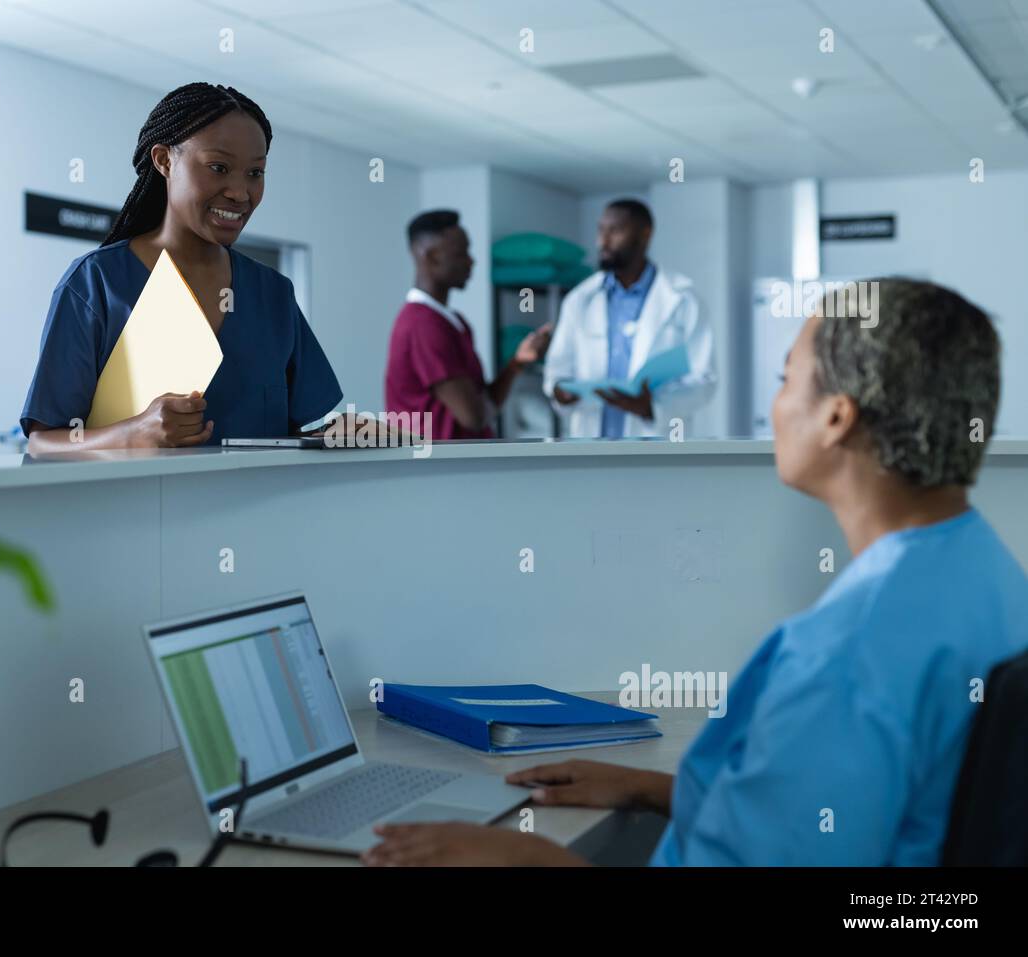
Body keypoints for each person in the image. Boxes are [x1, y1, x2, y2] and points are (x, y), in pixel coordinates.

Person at [364, 279, 1028, 866]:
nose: (776, 405)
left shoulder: (843, 654)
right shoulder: (991, 573)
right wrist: (656, 788)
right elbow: (860, 806)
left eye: (786, 379)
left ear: (835, 416)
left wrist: (526, 858)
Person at [21, 82, 342, 451]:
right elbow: (42, 442)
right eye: (218, 167)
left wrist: (341, 435)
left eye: (255, 173)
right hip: (137, 507)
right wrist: (130, 435)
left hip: (259, 507)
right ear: (164, 160)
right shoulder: (97, 283)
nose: (240, 192)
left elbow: (285, 437)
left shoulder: (273, 293)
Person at [543, 199, 716, 439]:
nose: (602, 241)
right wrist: (561, 392)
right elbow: (557, 370)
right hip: (591, 439)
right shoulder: (579, 299)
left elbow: (705, 380)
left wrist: (652, 406)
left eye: (615, 231)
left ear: (645, 234)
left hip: (656, 441)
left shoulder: (683, 298)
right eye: (600, 230)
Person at [385, 210, 551, 441]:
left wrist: (517, 363)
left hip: (458, 465)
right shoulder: (422, 324)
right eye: (461, 253)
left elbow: (483, 407)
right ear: (432, 256)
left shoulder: (452, 322)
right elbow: (474, 417)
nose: (471, 260)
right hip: (436, 470)